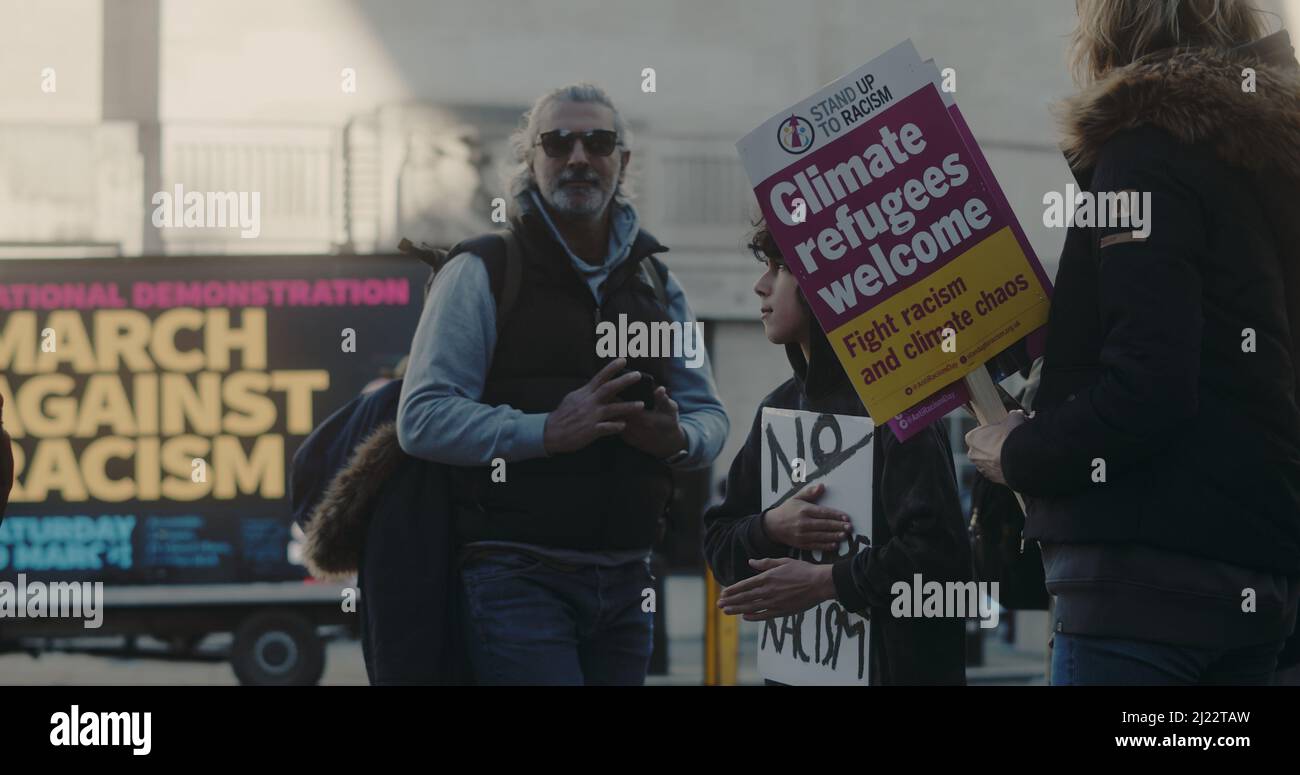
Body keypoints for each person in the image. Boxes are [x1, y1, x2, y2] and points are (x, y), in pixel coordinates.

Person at [965, 0, 1300, 685]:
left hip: (1143, 586)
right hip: (1261, 576)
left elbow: (1149, 383)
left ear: (1109, 29)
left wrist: (1020, 451)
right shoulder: (1269, 164)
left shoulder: (1144, 151)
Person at [396, 83, 728, 685]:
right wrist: (547, 431)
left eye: (598, 142)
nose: (578, 157)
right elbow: (421, 418)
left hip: (629, 581)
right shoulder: (481, 270)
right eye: (558, 142)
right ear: (532, 160)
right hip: (516, 576)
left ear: (622, 161)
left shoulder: (657, 281)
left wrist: (676, 440)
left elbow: (710, 416)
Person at [703, 222, 971, 685]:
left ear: (829, 286)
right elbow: (718, 542)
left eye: (780, 268)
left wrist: (827, 582)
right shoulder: (778, 408)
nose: (760, 285)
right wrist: (770, 526)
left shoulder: (900, 405)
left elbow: (941, 559)